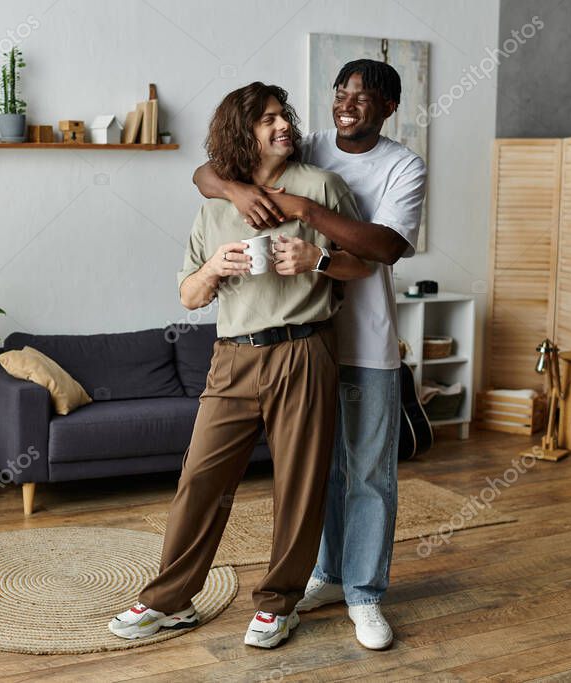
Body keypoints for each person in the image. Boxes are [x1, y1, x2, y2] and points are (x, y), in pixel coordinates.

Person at [108, 82, 371, 649]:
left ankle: (278, 604)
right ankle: (170, 601)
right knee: (200, 479)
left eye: (283, 116)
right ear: (241, 132)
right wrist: (213, 270)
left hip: (304, 349)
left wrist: (318, 259)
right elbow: (188, 296)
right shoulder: (214, 206)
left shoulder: (321, 187)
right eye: (266, 119)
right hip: (232, 356)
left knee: (299, 484)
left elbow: (364, 263)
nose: (282, 126)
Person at [191, 59, 428, 651]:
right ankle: (327, 574)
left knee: (368, 472)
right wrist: (238, 190)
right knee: (317, 474)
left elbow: (385, 247)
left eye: (362, 97)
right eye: (340, 92)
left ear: (389, 107)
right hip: (305, 342)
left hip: (365, 342)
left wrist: (303, 210)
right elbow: (206, 172)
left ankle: (365, 594)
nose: (347, 104)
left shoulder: (403, 166)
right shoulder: (311, 145)